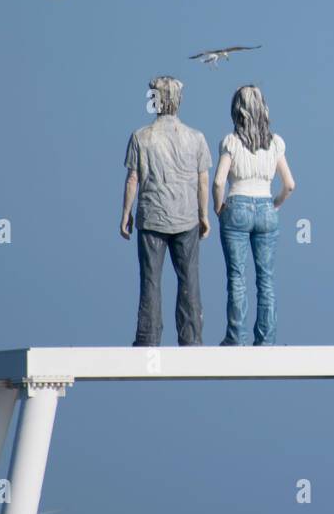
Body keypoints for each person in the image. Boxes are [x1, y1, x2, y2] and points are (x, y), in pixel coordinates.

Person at [121, 76, 212, 346]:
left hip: (151, 217)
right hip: (187, 217)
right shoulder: (196, 138)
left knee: (150, 281)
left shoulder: (140, 137)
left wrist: (125, 214)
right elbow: (203, 179)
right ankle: (191, 338)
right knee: (190, 279)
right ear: (179, 100)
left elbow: (132, 179)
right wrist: (204, 215)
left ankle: (148, 339)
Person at [214, 85, 295, 346]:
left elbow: (218, 182)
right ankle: (266, 340)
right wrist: (276, 205)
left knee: (237, 277)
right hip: (266, 207)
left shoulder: (231, 142)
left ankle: (236, 338)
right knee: (266, 279)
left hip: (236, 204)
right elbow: (290, 184)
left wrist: (218, 208)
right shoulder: (275, 143)